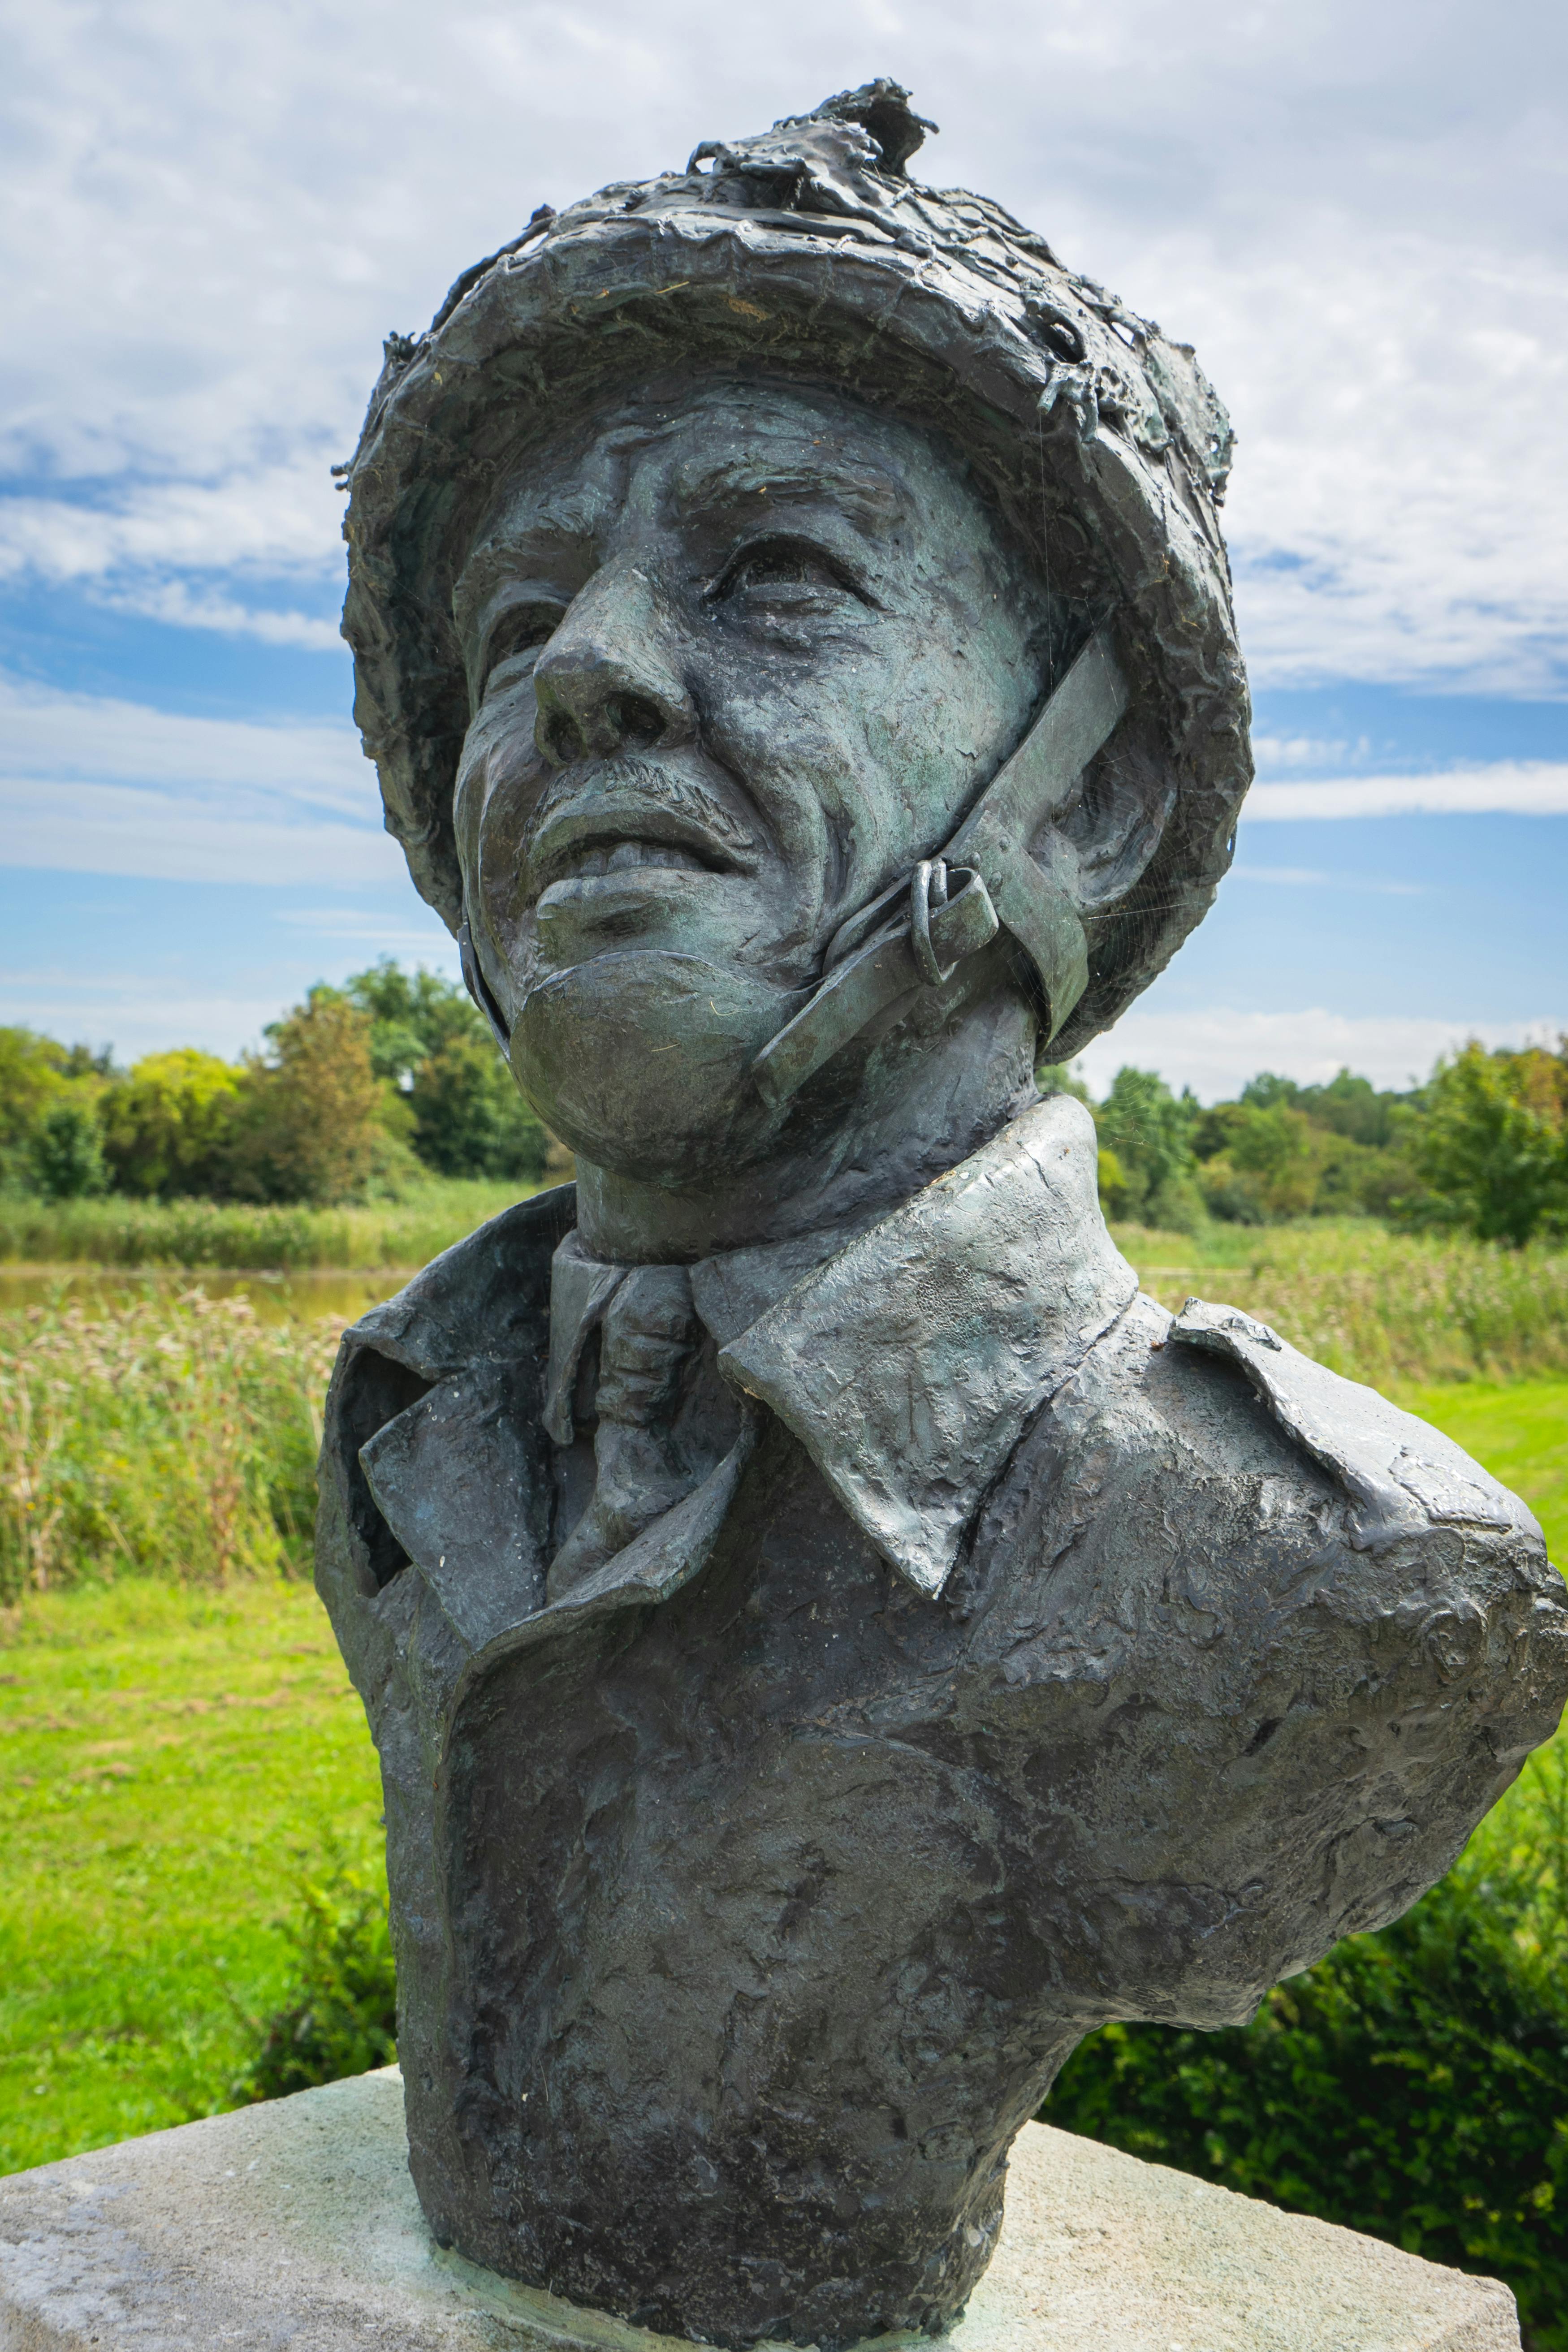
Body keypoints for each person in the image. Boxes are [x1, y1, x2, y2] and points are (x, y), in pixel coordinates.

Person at [318, 82, 1568, 2352]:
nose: (573, 672)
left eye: (775, 575)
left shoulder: (1311, 1563)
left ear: (1080, 789)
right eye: (506, 630)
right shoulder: (409, 1421)